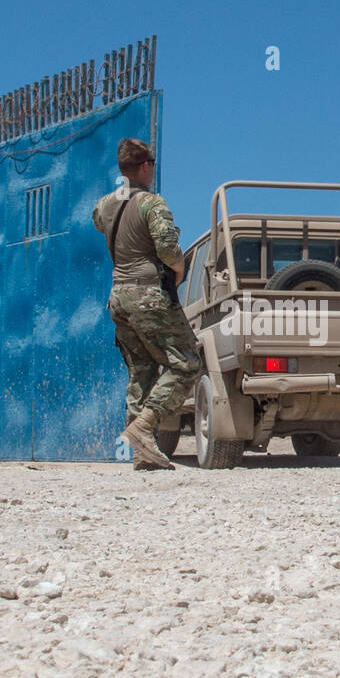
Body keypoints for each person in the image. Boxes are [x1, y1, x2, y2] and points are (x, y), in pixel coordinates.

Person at [92, 138, 202, 470]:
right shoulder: (153, 204)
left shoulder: (105, 205)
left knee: (141, 370)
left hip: (119, 297)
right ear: (145, 166)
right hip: (148, 294)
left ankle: (144, 452)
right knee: (187, 363)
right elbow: (167, 247)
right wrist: (180, 267)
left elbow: (99, 221)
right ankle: (143, 426)